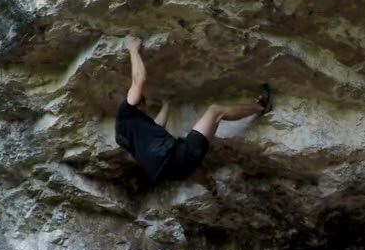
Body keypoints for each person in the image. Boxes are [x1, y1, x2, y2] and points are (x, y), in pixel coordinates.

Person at [114, 36, 271, 185]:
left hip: (170, 172)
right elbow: (139, 79)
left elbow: (157, 126)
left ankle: (210, 186)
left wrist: (167, 104)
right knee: (215, 111)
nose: (145, 109)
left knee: (189, 159)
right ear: (137, 104)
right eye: (143, 105)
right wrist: (133, 50)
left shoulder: (125, 132)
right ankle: (261, 106)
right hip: (174, 157)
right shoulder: (127, 109)